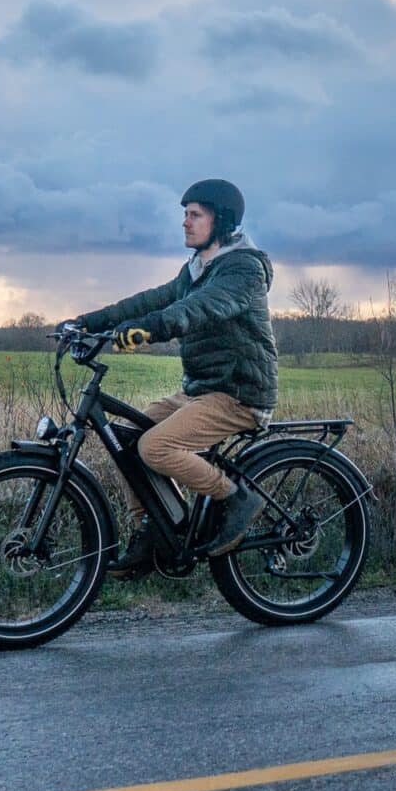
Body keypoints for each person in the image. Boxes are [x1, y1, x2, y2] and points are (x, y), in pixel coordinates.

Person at [65, 179, 279, 572]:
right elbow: (153, 299)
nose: (185, 222)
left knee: (155, 448)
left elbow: (199, 308)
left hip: (239, 394)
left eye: (195, 215)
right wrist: (86, 322)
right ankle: (154, 531)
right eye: (185, 214)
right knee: (127, 437)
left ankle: (235, 497)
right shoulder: (196, 269)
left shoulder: (242, 269)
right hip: (202, 392)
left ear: (222, 221)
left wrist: (151, 328)